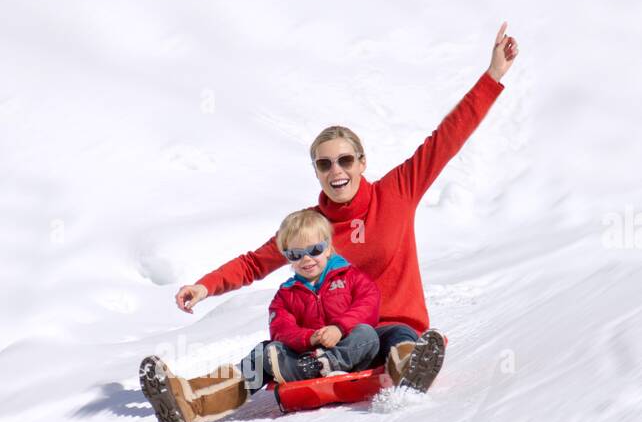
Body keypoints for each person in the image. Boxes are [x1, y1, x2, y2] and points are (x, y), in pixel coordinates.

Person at [170, 23, 518, 393]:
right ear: (317, 172)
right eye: (325, 164)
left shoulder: (397, 191)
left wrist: (493, 75)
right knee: (267, 356)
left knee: (398, 338)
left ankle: (412, 365)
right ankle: (192, 396)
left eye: (345, 160)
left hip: (395, 332)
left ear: (362, 162)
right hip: (338, 342)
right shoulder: (310, 230)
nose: (336, 171)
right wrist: (204, 287)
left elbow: (445, 140)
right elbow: (255, 263)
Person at [140, 209, 381, 422]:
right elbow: (281, 329)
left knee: (368, 335)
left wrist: (339, 328)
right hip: (302, 363)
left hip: (349, 355)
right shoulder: (286, 295)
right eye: (296, 254)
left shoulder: (349, 277)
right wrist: (309, 338)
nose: (307, 259)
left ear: (328, 248)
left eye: (315, 250)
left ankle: (327, 363)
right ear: (287, 257)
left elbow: (368, 303)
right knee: (265, 353)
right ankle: (190, 402)